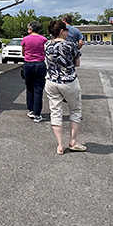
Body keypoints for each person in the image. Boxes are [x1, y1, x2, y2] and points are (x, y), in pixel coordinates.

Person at [44, 19, 85, 155]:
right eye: (66, 30)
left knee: (55, 111)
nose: (68, 33)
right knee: (75, 110)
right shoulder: (70, 45)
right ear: (62, 31)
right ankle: (73, 142)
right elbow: (77, 63)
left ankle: (60, 145)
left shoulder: (46, 45)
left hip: (51, 81)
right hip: (68, 82)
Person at [21, 21, 47, 122]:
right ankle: (37, 114)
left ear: (31, 29)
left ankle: (31, 110)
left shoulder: (25, 39)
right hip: (40, 64)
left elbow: (23, 52)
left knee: (29, 88)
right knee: (38, 88)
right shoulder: (44, 39)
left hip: (28, 64)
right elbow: (45, 51)